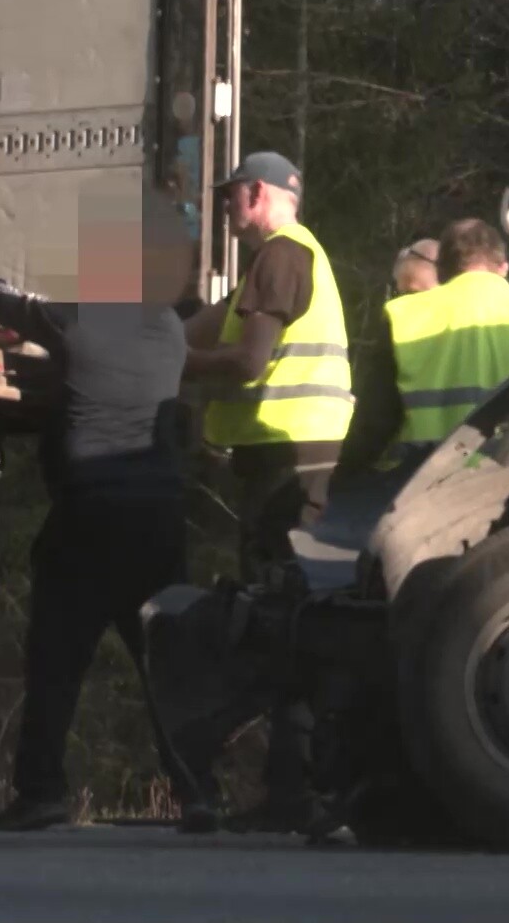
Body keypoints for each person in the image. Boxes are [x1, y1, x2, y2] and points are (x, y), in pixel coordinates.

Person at [0, 204, 217, 834]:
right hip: (159, 519)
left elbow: (12, 304)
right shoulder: (168, 328)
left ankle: (42, 793)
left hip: (89, 516)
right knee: (166, 667)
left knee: (56, 661)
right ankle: (200, 792)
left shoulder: (78, 316)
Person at [184, 150, 353, 832]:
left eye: (231, 197)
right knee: (285, 621)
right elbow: (202, 325)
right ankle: (289, 789)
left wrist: (172, 364)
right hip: (289, 461)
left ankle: (301, 791)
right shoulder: (274, 263)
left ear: (259, 194)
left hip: (289, 463)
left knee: (287, 625)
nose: (226, 208)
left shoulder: (282, 254)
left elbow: (250, 362)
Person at [336, 218, 509, 489]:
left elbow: (375, 423)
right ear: (504, 267)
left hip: (422, 486)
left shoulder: (404, 314)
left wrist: (341, 480)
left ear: (441, 270)